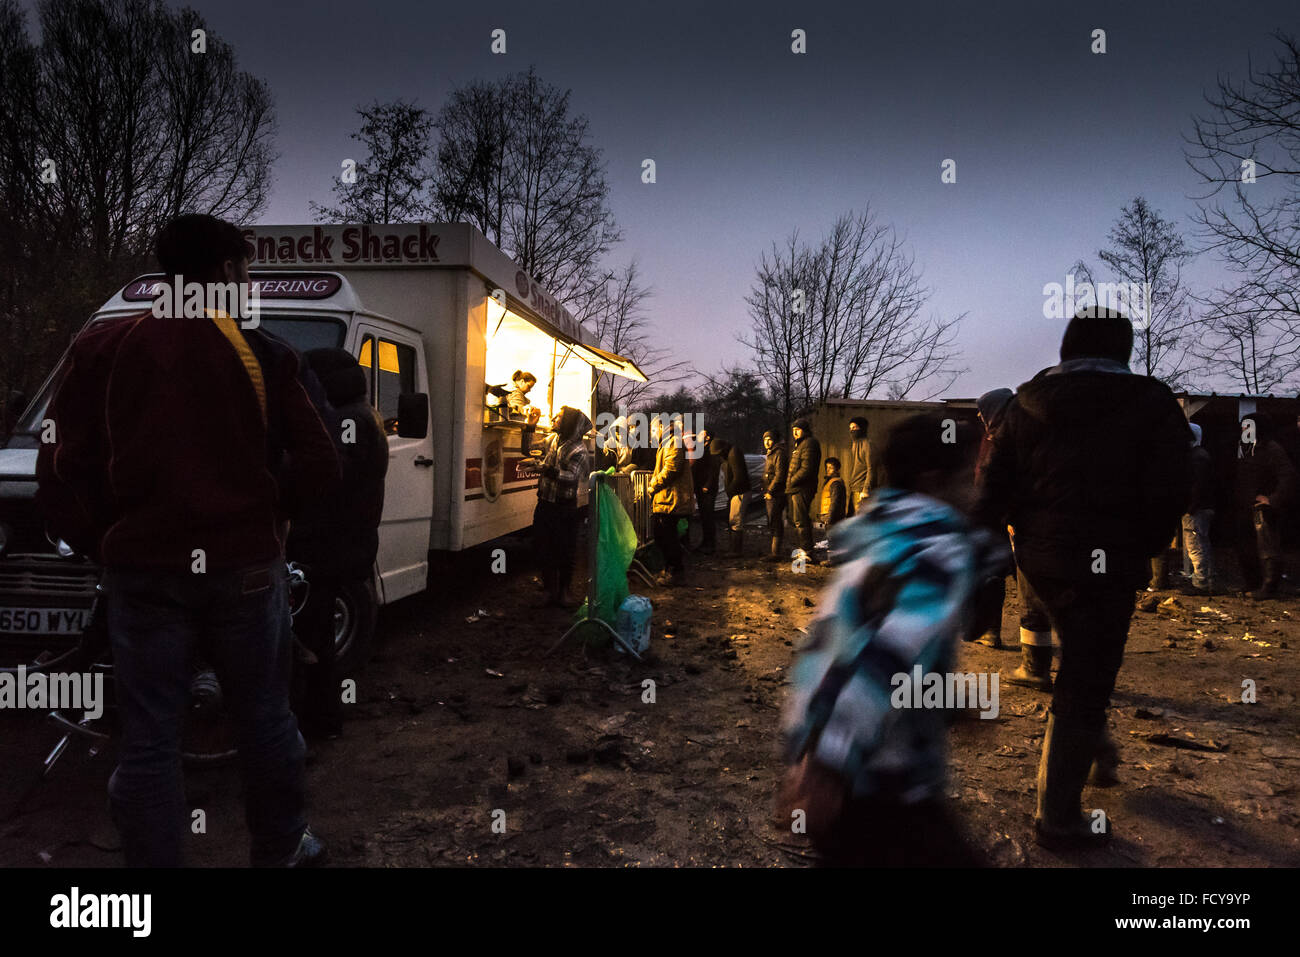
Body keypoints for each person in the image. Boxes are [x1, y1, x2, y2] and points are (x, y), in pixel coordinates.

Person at [36, 213, 340, 867]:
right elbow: (321, 464)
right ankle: (282, 844)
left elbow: (58, 465)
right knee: (264, 716)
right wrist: (266, 517)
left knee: (147, 736)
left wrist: (103, 540)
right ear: (227, 273)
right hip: (247, 570)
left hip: (141, 574)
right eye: (247, 270)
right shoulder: (266, 355)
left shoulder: (103, 348)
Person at [976, 308, 1191, 848]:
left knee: (1081, 666)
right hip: (1110, 564)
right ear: (1125, 350)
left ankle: (1095, 754)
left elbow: (992, 488)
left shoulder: (1024, 403)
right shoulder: (1153, 404)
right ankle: (1058, 819)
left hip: (1041, 561)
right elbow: (1172, 489)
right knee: (1086, 677)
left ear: (1066, 349)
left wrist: (1010, 543)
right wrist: (1145, 547)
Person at [779, 413, 995, 866]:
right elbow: (887, 654)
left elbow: (854, 641)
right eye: (973, 470)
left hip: (836, 750)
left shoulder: (884, 537)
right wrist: (831, 763)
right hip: (879, 774)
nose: (979, 484)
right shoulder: (937, 548)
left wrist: (944, 701)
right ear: (936, 479)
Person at [288, 348, 388, 739]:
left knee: (314, 640)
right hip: (347, 543)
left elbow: (328, 478)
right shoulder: (364, 414)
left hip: (330, 546)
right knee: (319, 638)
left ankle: (318, 723)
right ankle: (322, 720)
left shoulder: (348, 420)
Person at [530, 405, 592, 607]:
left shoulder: (580, 450)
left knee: (565, 550)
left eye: (559, 417)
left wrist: (544, 468)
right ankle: (549, 591)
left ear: (568, 425)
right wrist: (529, 426)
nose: (554, 419)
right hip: (545, 503)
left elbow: (570, 478)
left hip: (564, 508)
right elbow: (528, 448)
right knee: (542, 547)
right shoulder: (553, 440)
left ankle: (565, 591)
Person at [970, 389, 1015, 649]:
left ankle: (992, 630)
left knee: (995, 573)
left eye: (983, 410)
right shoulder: (990, 436)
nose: (979, 415)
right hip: (987, 514)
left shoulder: (1006, 438)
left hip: (1001, 517)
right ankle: (988, 628)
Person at [1235, 413, 1297, 599]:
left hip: (1262, 509)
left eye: (1247, 426)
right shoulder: (1246, 449)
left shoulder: (1271, 448)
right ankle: (1252, 583)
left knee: (1267, 548)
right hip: (1246, 507)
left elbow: (1289, 476)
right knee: (1246, 547)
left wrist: (1273, 499)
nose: (1243, 430)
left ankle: (1269, 586)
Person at [649, 414, 695, 585]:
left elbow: (671, 468)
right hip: (669, 498)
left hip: (672, 499)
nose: (652, 434)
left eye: (653, 429)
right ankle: (670, 569)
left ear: (662, 427)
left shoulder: (672, 442)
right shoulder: (668, 442)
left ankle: (675, 572)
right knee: (664, 536)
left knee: (667, 536)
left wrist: (653, 484)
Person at [1180, 423, 1215, 596]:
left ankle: (1201, 583)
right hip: (1201, 506)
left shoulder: (1196, 457)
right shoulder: (1200, 455)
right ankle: (1203, 579)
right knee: (1200, 543)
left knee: (1196, 545)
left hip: (1197, 508)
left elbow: (1197, 485)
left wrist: (1190, 506)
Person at [709, 435, 752, 557]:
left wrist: (730, 491)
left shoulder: (733, 454)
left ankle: (736, 551)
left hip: (739, 492)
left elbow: (739, 477)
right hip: (736, 492)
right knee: (733, 520)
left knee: (735, 521)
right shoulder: (731, 453)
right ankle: (733, 549)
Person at [786, 418, 822, 557]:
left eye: (798, 430)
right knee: (799, 520)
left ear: (805, 430)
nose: (795, 433)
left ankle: (806, 550)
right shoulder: (801, 444)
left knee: (801, 520)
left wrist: (791, 481)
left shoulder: (809, 444)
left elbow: (807, 469)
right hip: (797, 487)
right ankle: (804, 548)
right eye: (793, 430)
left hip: (803, 487)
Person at [690, 427, 720, 555]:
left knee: (708, 516)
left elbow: (714, 469)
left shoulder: (711, 449)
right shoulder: (701, 448)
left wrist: (707, 485)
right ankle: (705, 542)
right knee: (704, 516)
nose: (698, 435)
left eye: (701, 433)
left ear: (707, 437)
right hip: (700, 487)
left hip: (707, 489)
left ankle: (710, 544)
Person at [762, 430, 789, 559]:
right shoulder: (771, 454)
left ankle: (775, 553)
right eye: (765, 439)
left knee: (775, 520)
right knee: (772, 521)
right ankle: (774, 551)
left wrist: (770, 491)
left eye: (770, 439)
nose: (767, 442)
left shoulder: (779, 454)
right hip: (771, 493)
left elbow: (779, 475)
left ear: (775, 440)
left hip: (776, 494)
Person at [845, 416, 872, 514]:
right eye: (850, 428)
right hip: (853, 488)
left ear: (862, 428)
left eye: (854, 427)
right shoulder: (854, 444)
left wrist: (865, 489)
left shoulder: (867, 444)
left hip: (861, 490)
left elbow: (871, 468)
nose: (852, 430)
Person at [817, 457, 847, 532]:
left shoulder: (835, 483)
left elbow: (835, 502)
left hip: (833, 519)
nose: (828, 470)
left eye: (831, 468)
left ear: (837, 469)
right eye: (827, 467)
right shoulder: (830, 482)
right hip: (830, 518)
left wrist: (830, 518)